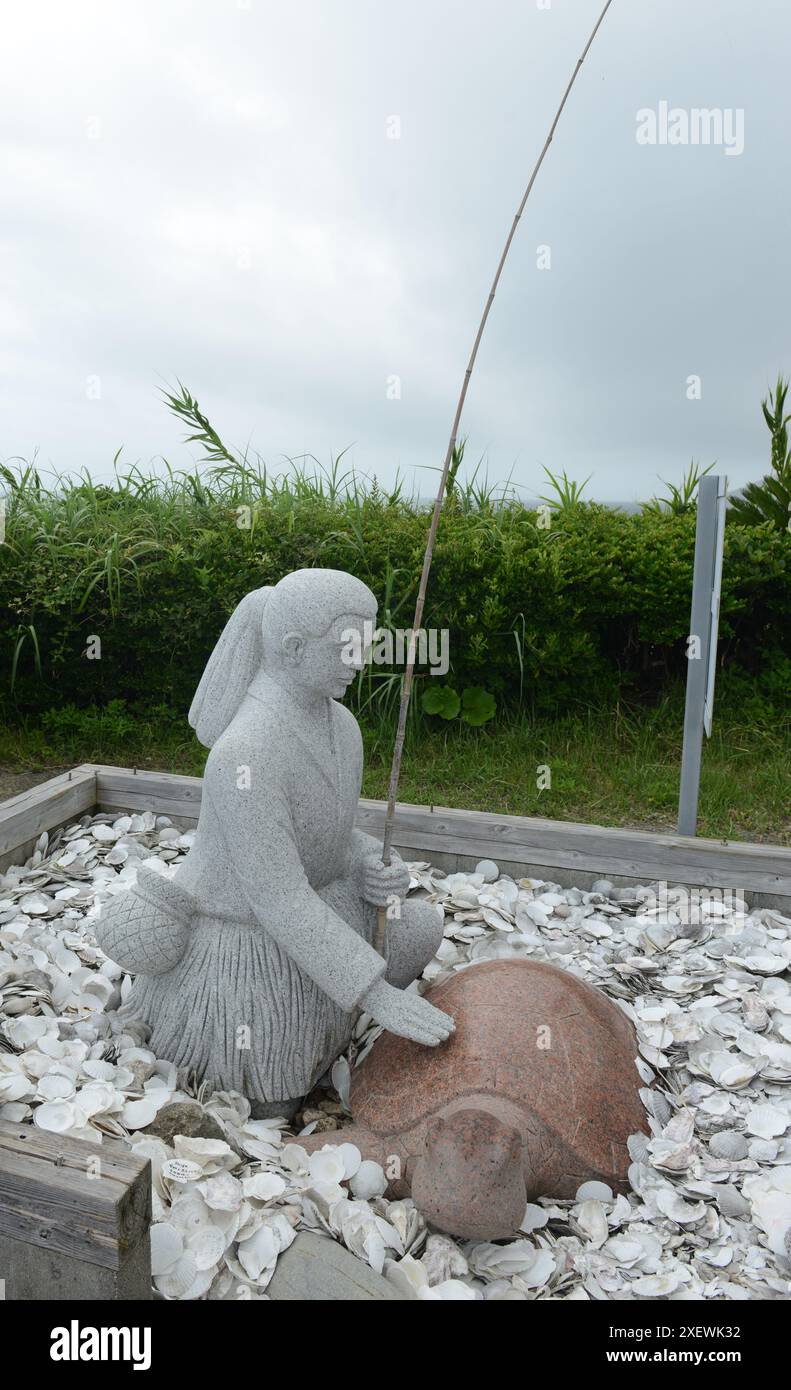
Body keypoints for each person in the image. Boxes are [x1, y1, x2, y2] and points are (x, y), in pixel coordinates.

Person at [121, 568, 454, 1117]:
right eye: (347, 648)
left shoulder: (341, 726)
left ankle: (337, 1008)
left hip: (323, 901)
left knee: (420, 926)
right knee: (273, 1094)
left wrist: (370, 859)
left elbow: (330, 832)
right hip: (249, 933)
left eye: (365, 646)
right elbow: (279, 896)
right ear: (295, 649)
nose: (360, 662)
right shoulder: (245, 753)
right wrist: (375, 994)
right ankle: (312, 1019)